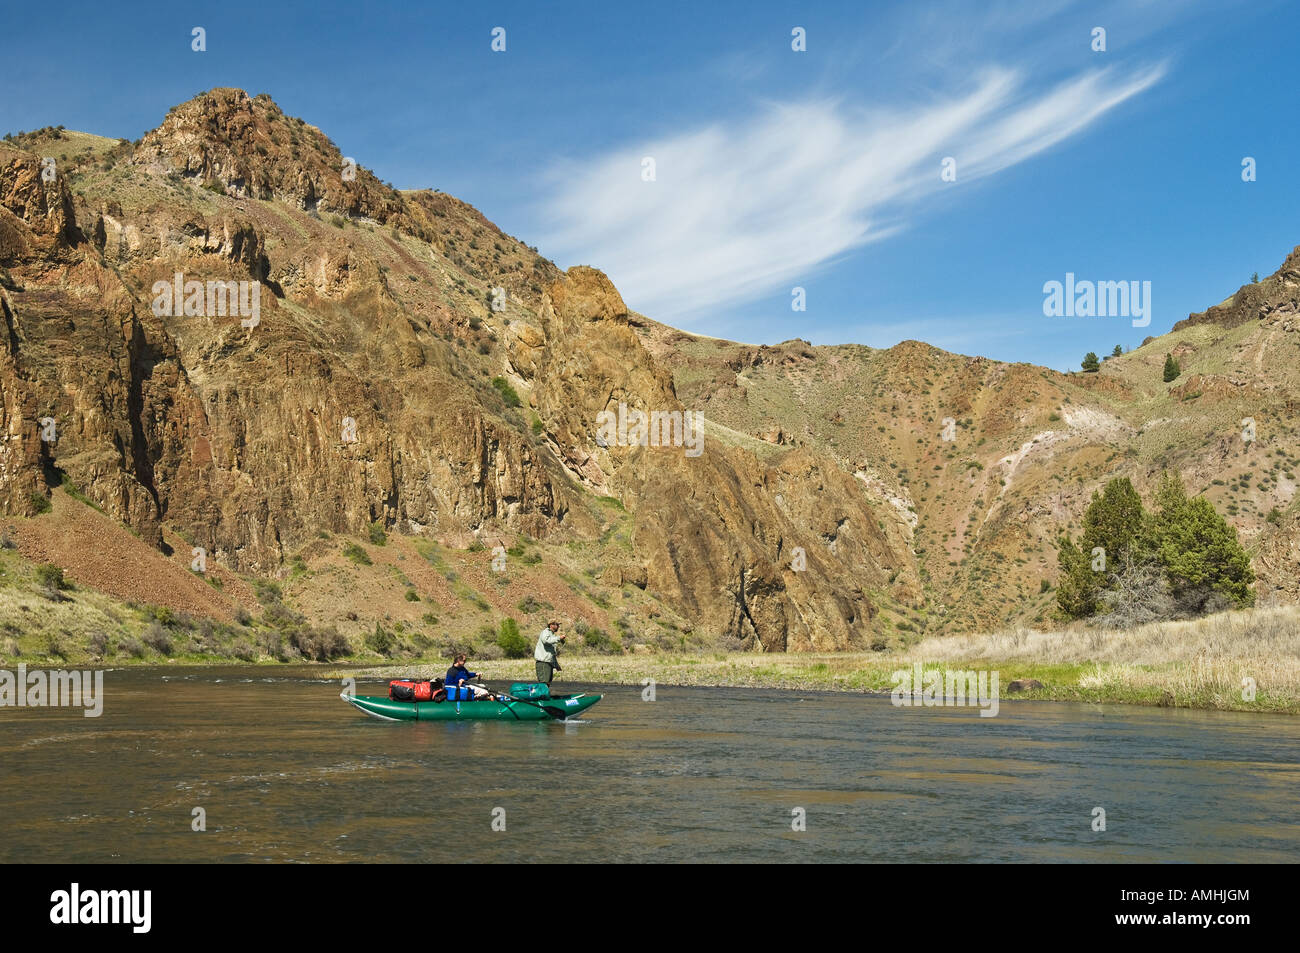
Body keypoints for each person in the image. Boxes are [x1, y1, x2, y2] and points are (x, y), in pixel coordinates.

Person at [534, 620, 565, 685]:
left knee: (547, 683)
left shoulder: (552, 635)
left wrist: (556, 665)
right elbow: (545, 640)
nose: (558, 627)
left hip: (548, 663)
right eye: (557, 625)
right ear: (551, 625)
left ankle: (543, 692)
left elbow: (551, 653)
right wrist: (559, 638)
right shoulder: (546, 632)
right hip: (543, 663)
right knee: (544, 683)